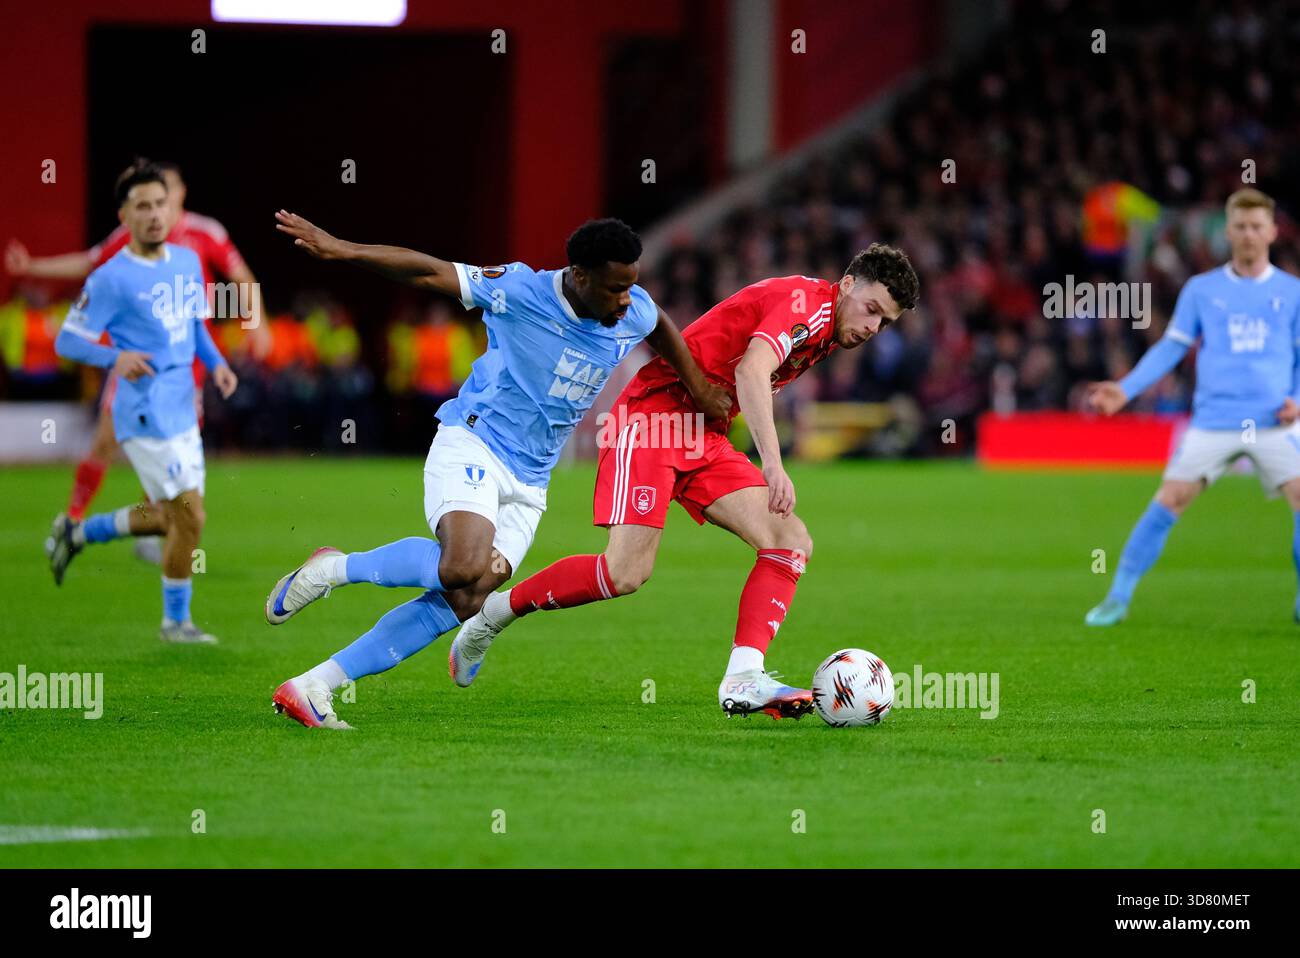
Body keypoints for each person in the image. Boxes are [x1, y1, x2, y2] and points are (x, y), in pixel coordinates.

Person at [265, 212, 731, 729]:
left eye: (632, 287)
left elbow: (660, 325)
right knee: (461, 566)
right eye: (615, 289)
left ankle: (313, 685)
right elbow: (429, 272)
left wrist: (698, 388)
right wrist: (344, 249)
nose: (626, 301)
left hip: (532, 480)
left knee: (466, 597)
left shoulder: (631, 309)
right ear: (580, 277)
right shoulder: (519, 290)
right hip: (476, 443)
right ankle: (334, 568)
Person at [451, 244, 920, 719]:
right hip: (652, 420)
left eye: (885, 323)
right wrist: (774, 464)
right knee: (624, 573)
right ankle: (494, 614)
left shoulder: (826, 327)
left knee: (789, 539)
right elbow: (752, 368)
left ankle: (744, 677)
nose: (872, 328)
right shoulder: (807, 306)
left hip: (702, 435)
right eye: (871, 310)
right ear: (846, 286)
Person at [6, 161, 267, 561]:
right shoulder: (129, 239)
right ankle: (74, 520)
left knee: (178, 468)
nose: (160, 205)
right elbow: (90, 262)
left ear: (179, 194)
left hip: (188, 369)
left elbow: (241, 279)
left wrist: (255, 324)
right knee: (107, 444)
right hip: (138, 369)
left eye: (169, 193)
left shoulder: (203, 236)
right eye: (150, 199)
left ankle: (147, 530)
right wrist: (34, 267)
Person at [1084, 188, 1300, 625]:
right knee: (1170, 498)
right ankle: (1118, 596)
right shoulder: (1202, 290)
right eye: (1240, 226)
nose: (1249, 235)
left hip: (1275, 421)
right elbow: (1170, 348)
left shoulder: (1292, 292)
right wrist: (1125, 390)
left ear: (1273, 231)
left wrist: (1298, 398)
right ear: (1228, 231)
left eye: (1257, 226)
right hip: (1214, 420)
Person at [46, 160, 239, 643]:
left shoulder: (186, 261)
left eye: (161, 204)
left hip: (183, 408)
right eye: (143, 206)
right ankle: (176, 623)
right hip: (144, 411)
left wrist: (216, 363)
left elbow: (194, 325)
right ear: (125, 216)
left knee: (167, 518)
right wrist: (114, 356)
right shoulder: (111, 278)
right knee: (191, 517)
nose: (155, 214)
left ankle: (77, 533)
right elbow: (67, 341)